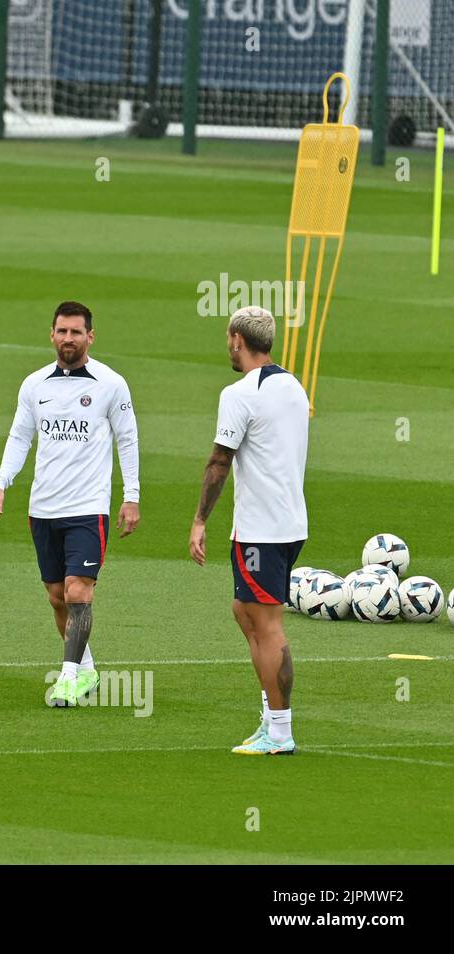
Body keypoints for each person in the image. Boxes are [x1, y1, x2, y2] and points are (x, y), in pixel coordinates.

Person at [0, 301, 140, 707]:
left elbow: (128, 439)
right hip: (44, 509)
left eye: (76, 332)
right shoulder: (35, 385)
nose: (68, 338)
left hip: (88, 509)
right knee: (57, 595)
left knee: (78, 592)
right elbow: (20, 437)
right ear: (51, 334)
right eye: (62, 331)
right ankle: (86, 669)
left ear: (90, 336)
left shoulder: (111, 384)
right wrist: (1, 482)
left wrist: (132, 495)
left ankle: (68, 678)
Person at [189, 305, 307, 755]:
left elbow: (220, 460)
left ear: (238, 339)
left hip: (262, 529)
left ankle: (279, 732)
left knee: (267, 625)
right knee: (245, 611)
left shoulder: (240, 394)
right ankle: (272, 713)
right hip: (290, 523)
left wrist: (200, 520)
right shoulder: (293, 386)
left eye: (228, 338)